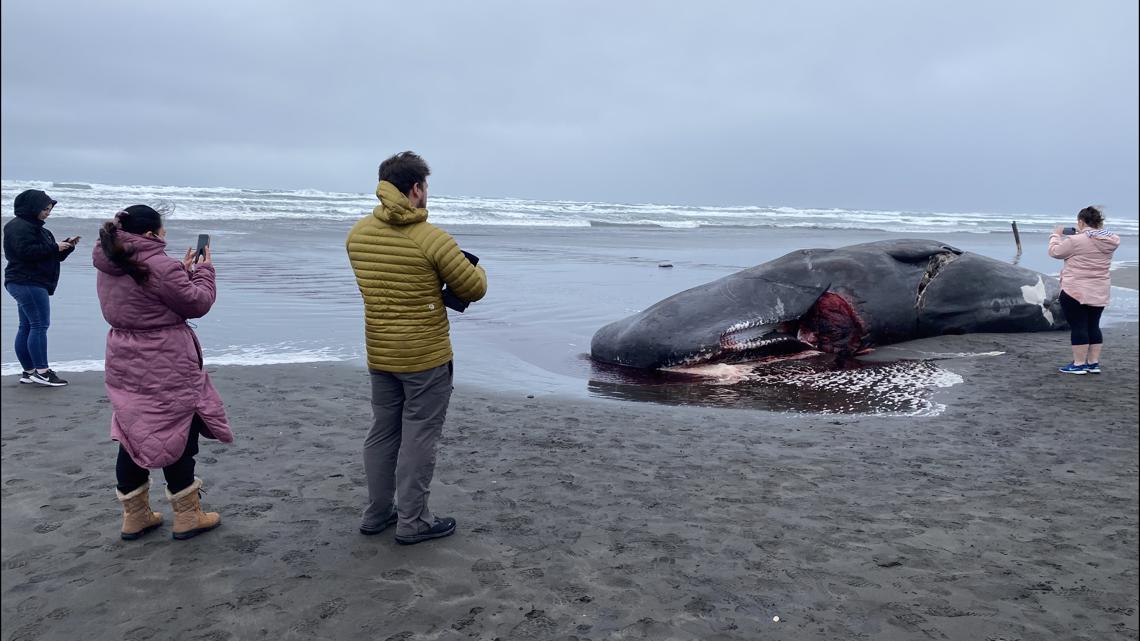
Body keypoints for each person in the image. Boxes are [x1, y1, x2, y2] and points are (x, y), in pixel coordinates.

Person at [346, 151, 487, 545]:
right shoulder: (433, 239)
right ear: (416, 189)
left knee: (382, 431)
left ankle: (377, 513)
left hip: (381, 351)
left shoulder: (357, 235)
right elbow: (474, 288)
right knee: (419, 436)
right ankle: (414, 520)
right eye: (425, 187)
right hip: (425, 355)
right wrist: (476, 267)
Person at [93, 205, 234, 540]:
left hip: (123, 354)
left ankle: (135, 515)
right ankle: (188, 515)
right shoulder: (157, 264)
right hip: (164, 357)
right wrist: (203, 272)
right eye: (163, 230)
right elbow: (197, 303)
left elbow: (144, 300)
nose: (165, 236)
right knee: (178, 430)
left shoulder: (110, 260)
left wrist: (178, 274)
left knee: (133, 430)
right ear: (149, 234)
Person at [3, 189, 80, 386]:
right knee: (39, 326)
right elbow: (25, 252)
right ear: (32, 207)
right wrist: (55, 247)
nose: (48, 212)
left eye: (49, 208)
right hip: (26, 281)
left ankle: (29, 372)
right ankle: (42, 372)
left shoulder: (41, 230)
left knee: (27, 326)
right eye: (45, 208)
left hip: (29, 282)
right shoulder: (18, 226)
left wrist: (66, 247)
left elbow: (48, 256)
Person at [1048, 205, 1120, 375]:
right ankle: (1093, 363)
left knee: (1079, 326)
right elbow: (1091, 241)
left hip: (1075, 290)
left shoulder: (1075, 241)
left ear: (1080, 222)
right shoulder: (1111, 240)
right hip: (1100, 289)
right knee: (1093, 326)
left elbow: (1055, 252)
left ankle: (1079, 364)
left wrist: (1055, 235)